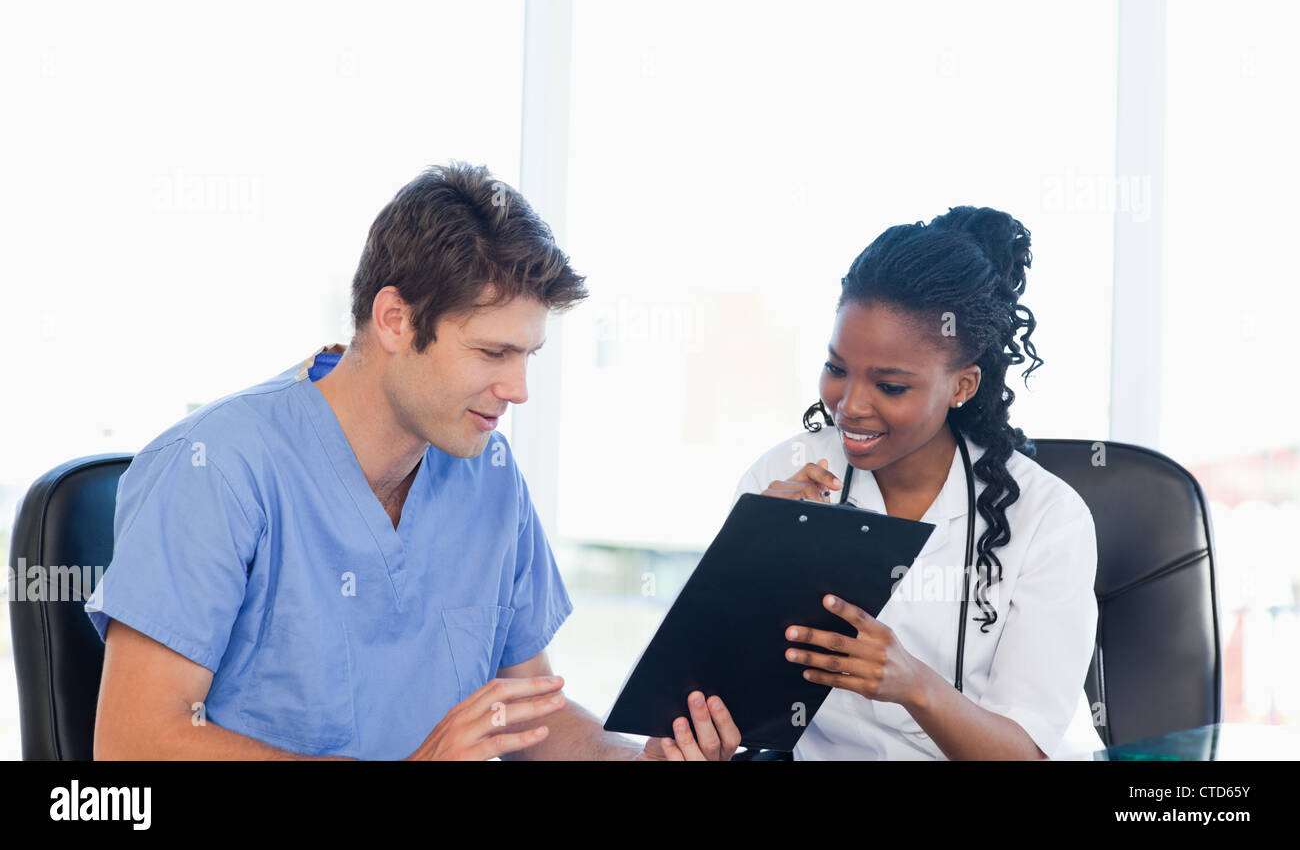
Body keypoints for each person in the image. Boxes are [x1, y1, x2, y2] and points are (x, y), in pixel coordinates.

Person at [87, 162, 740, 761]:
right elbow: (133, 743)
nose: (518, 389)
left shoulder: (488, 472)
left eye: (527, 356)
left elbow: (528, 711)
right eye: (491, 354)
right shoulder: (217, 469)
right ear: (396, 320)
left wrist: (638, 761)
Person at [732, 206, 1104, 760]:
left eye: (890, 386)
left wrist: (914, 685)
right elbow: (713, 689)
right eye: (837, 369)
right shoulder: (782, 475)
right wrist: (745, 559)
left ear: (962, 385)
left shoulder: (1049, 518)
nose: (850, 407)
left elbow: (1024, 755)